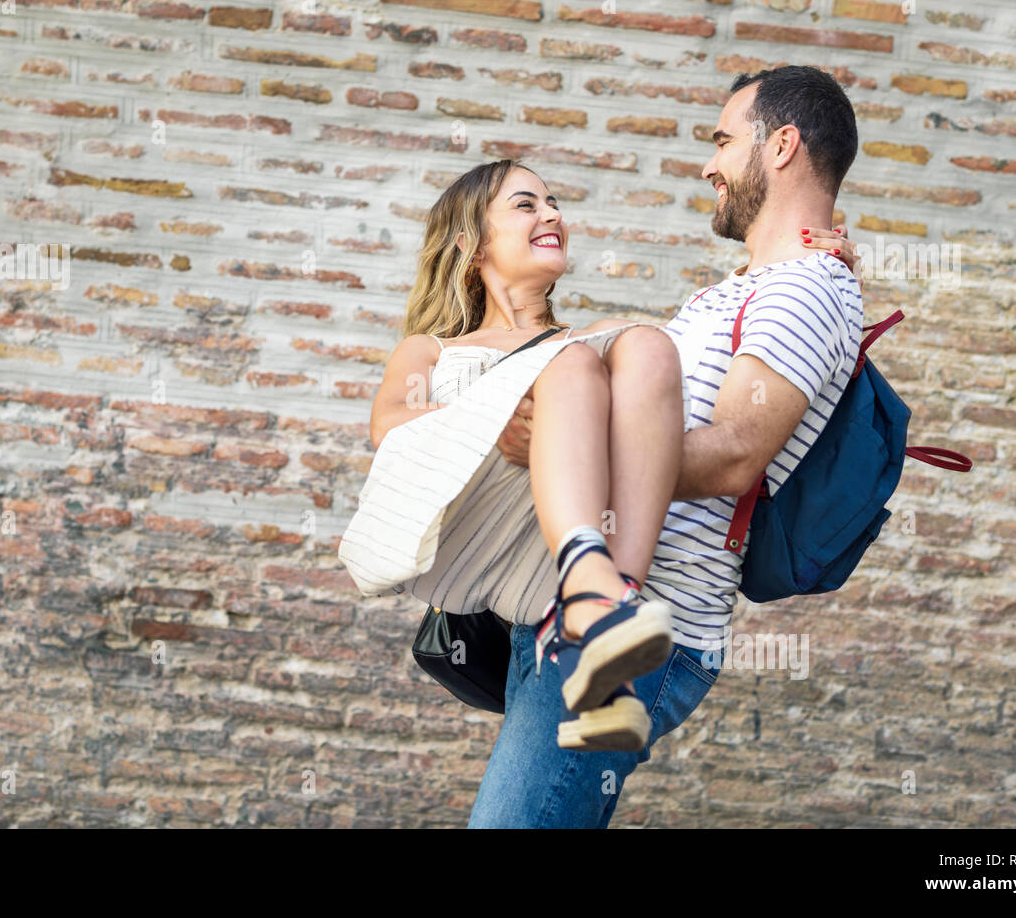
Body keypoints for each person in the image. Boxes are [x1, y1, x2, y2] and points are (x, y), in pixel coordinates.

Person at [339, 150, 857, 756]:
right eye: (525, 204)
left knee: (642, 345)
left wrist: (813, 269)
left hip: (551, 556)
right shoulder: (431, 349)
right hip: (469, 538)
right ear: (470, 245)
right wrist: (493, 420)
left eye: (553, 201)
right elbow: (390, 426)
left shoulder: (579, 343)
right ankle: (592, 597)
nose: (550, 212)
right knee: (578, 363)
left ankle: (608, 612)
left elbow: (663, 390)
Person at [466, 65, 867, 827]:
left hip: (645, 620)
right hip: (583, 612)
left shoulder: (808, 286)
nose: (708, 163)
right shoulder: (746, 287)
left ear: (780, 147)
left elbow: (736, 452)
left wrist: (559, 447)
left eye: (723, 141)